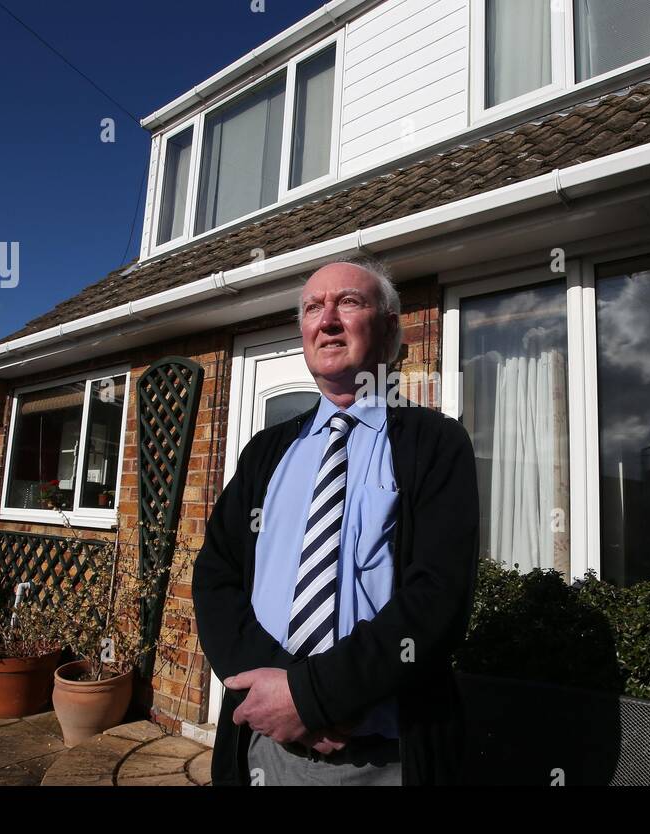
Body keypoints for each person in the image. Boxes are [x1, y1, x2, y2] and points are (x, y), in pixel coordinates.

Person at [191, 259, 480, 786]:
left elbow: (438, 598)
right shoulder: (266, 452)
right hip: (263, 748)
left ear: (390, 327)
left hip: (382, 760)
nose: (326, 320)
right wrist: (281, 697)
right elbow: (217, 576)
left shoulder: (434, 442)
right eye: (311, 308)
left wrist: (316, 696)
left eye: (348, 302)